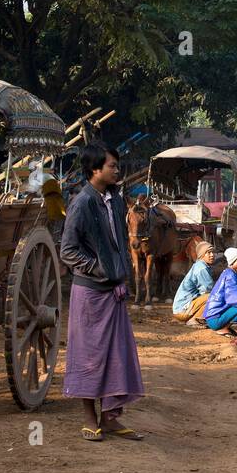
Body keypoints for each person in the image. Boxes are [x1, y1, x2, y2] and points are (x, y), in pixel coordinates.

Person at [59, 144, 146, 441]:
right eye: (111, 165)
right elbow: (68, 251)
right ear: (95, 170)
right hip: (91, 294)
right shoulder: (81, 203)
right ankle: (88, 418)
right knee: (89, 356)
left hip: (114, 292)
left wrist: (119, 275)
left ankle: (110, 418)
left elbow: (119, 241)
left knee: (116, 355)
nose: (116, 169)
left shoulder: (116, 200)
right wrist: (99, 269)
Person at [204, 247, 237, 344]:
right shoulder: (230, 275)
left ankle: (225, 326)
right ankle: (223, 328)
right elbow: (235, 299)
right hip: (215, 319)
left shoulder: (229, 273)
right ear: (233, 260)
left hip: (213, 317)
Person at [172, 242, 216, 324]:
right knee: (214, 296)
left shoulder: (200, 265)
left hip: (179, 309)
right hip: (182, 311)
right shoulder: (201, 268)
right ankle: (194, 319)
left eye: (213, 252)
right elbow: (208, 291)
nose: (212, 255)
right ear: (202, 255)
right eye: (208, 252)